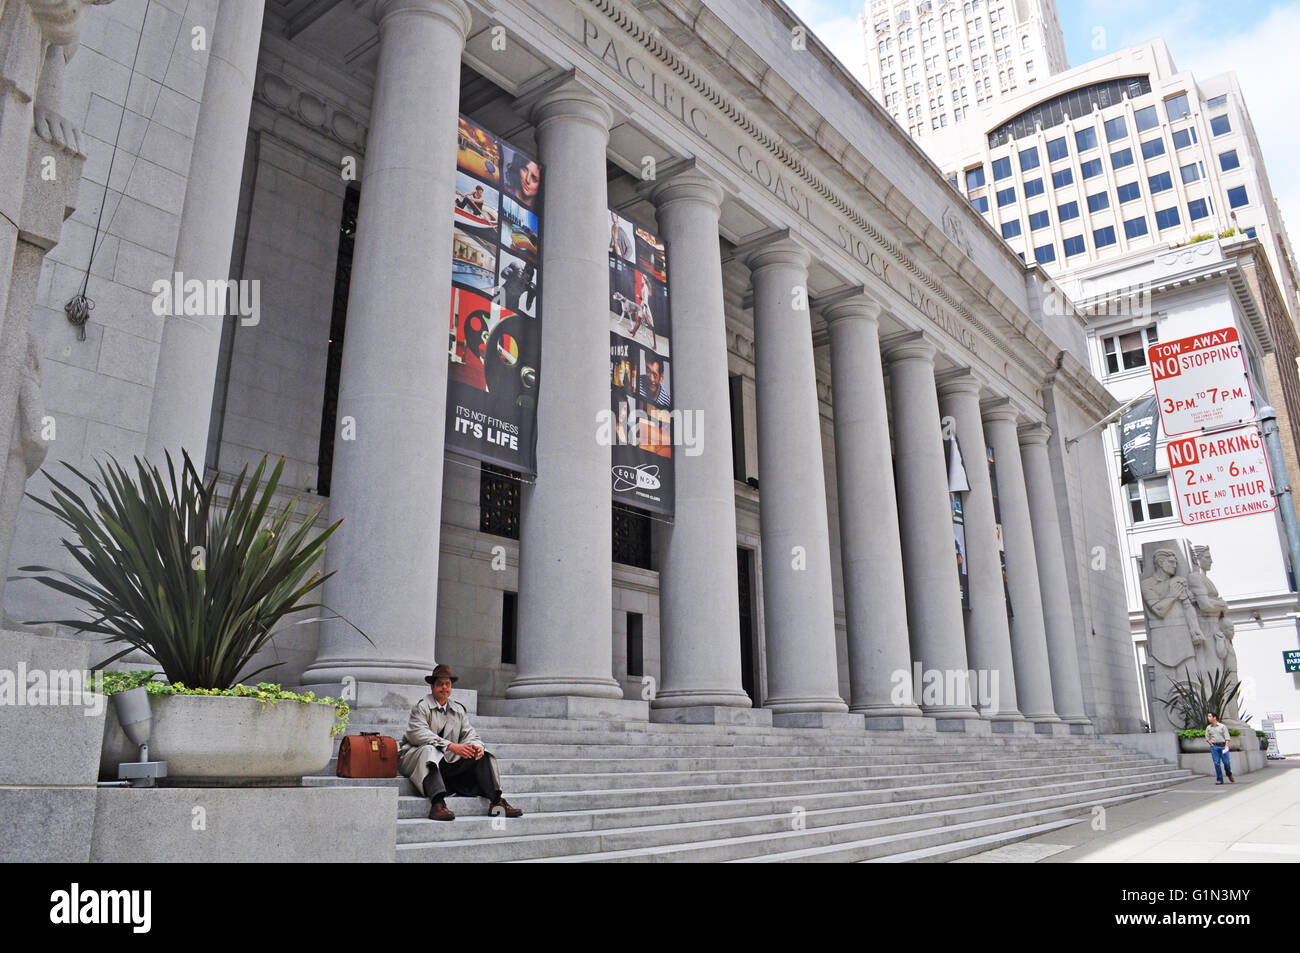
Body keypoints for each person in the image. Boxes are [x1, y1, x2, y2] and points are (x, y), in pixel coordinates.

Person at [398, 664, 523, 820]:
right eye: (440, 684)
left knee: (482, 755)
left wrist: (476, 747)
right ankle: (437, 804)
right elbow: (418, 734)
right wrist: (451, 746)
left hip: (445, 762)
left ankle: (497, 802)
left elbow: (470, 734)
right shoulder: (421, 707)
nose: (444, 688)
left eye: (447, 684)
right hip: (417, 758)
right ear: (432, 686)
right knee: (429, 750)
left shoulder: (458, 710)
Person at [1205, 711, 1235, 784]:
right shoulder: (1208, 728)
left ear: (1214, 717)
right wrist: (1211, 744)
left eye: (1209, 716)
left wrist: (1226, 746)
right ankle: (1220, 779)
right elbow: (1207, 737)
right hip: (1214, 747)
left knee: (1226, 763)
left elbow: (1227, 737)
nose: (1208, 718)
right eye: (1208, 716)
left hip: (1223, 746)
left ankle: (1229, 774)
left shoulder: (1222, 726)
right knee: (1217, 763)